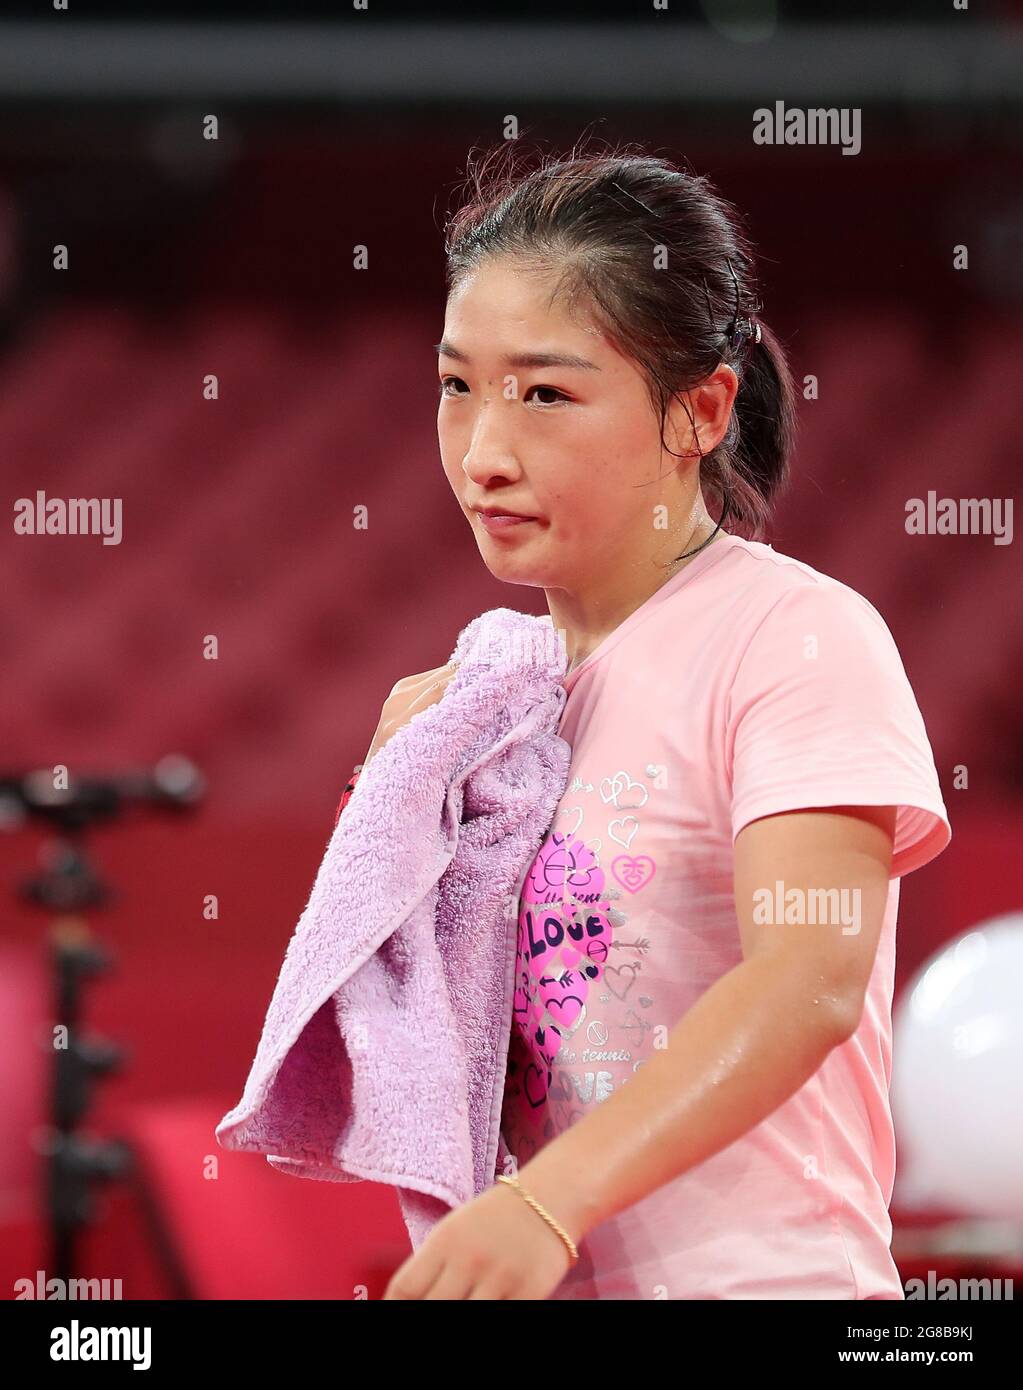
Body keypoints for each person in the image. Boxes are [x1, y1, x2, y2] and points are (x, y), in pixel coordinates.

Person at [377, 141, 951, 1300]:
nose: (485, 452)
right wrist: (392, 809)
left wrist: (549, 1199)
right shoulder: (475, 708)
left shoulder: (795, 638)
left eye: (545, 393)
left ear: (699, 413)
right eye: (457, 386)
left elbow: (808, 983)